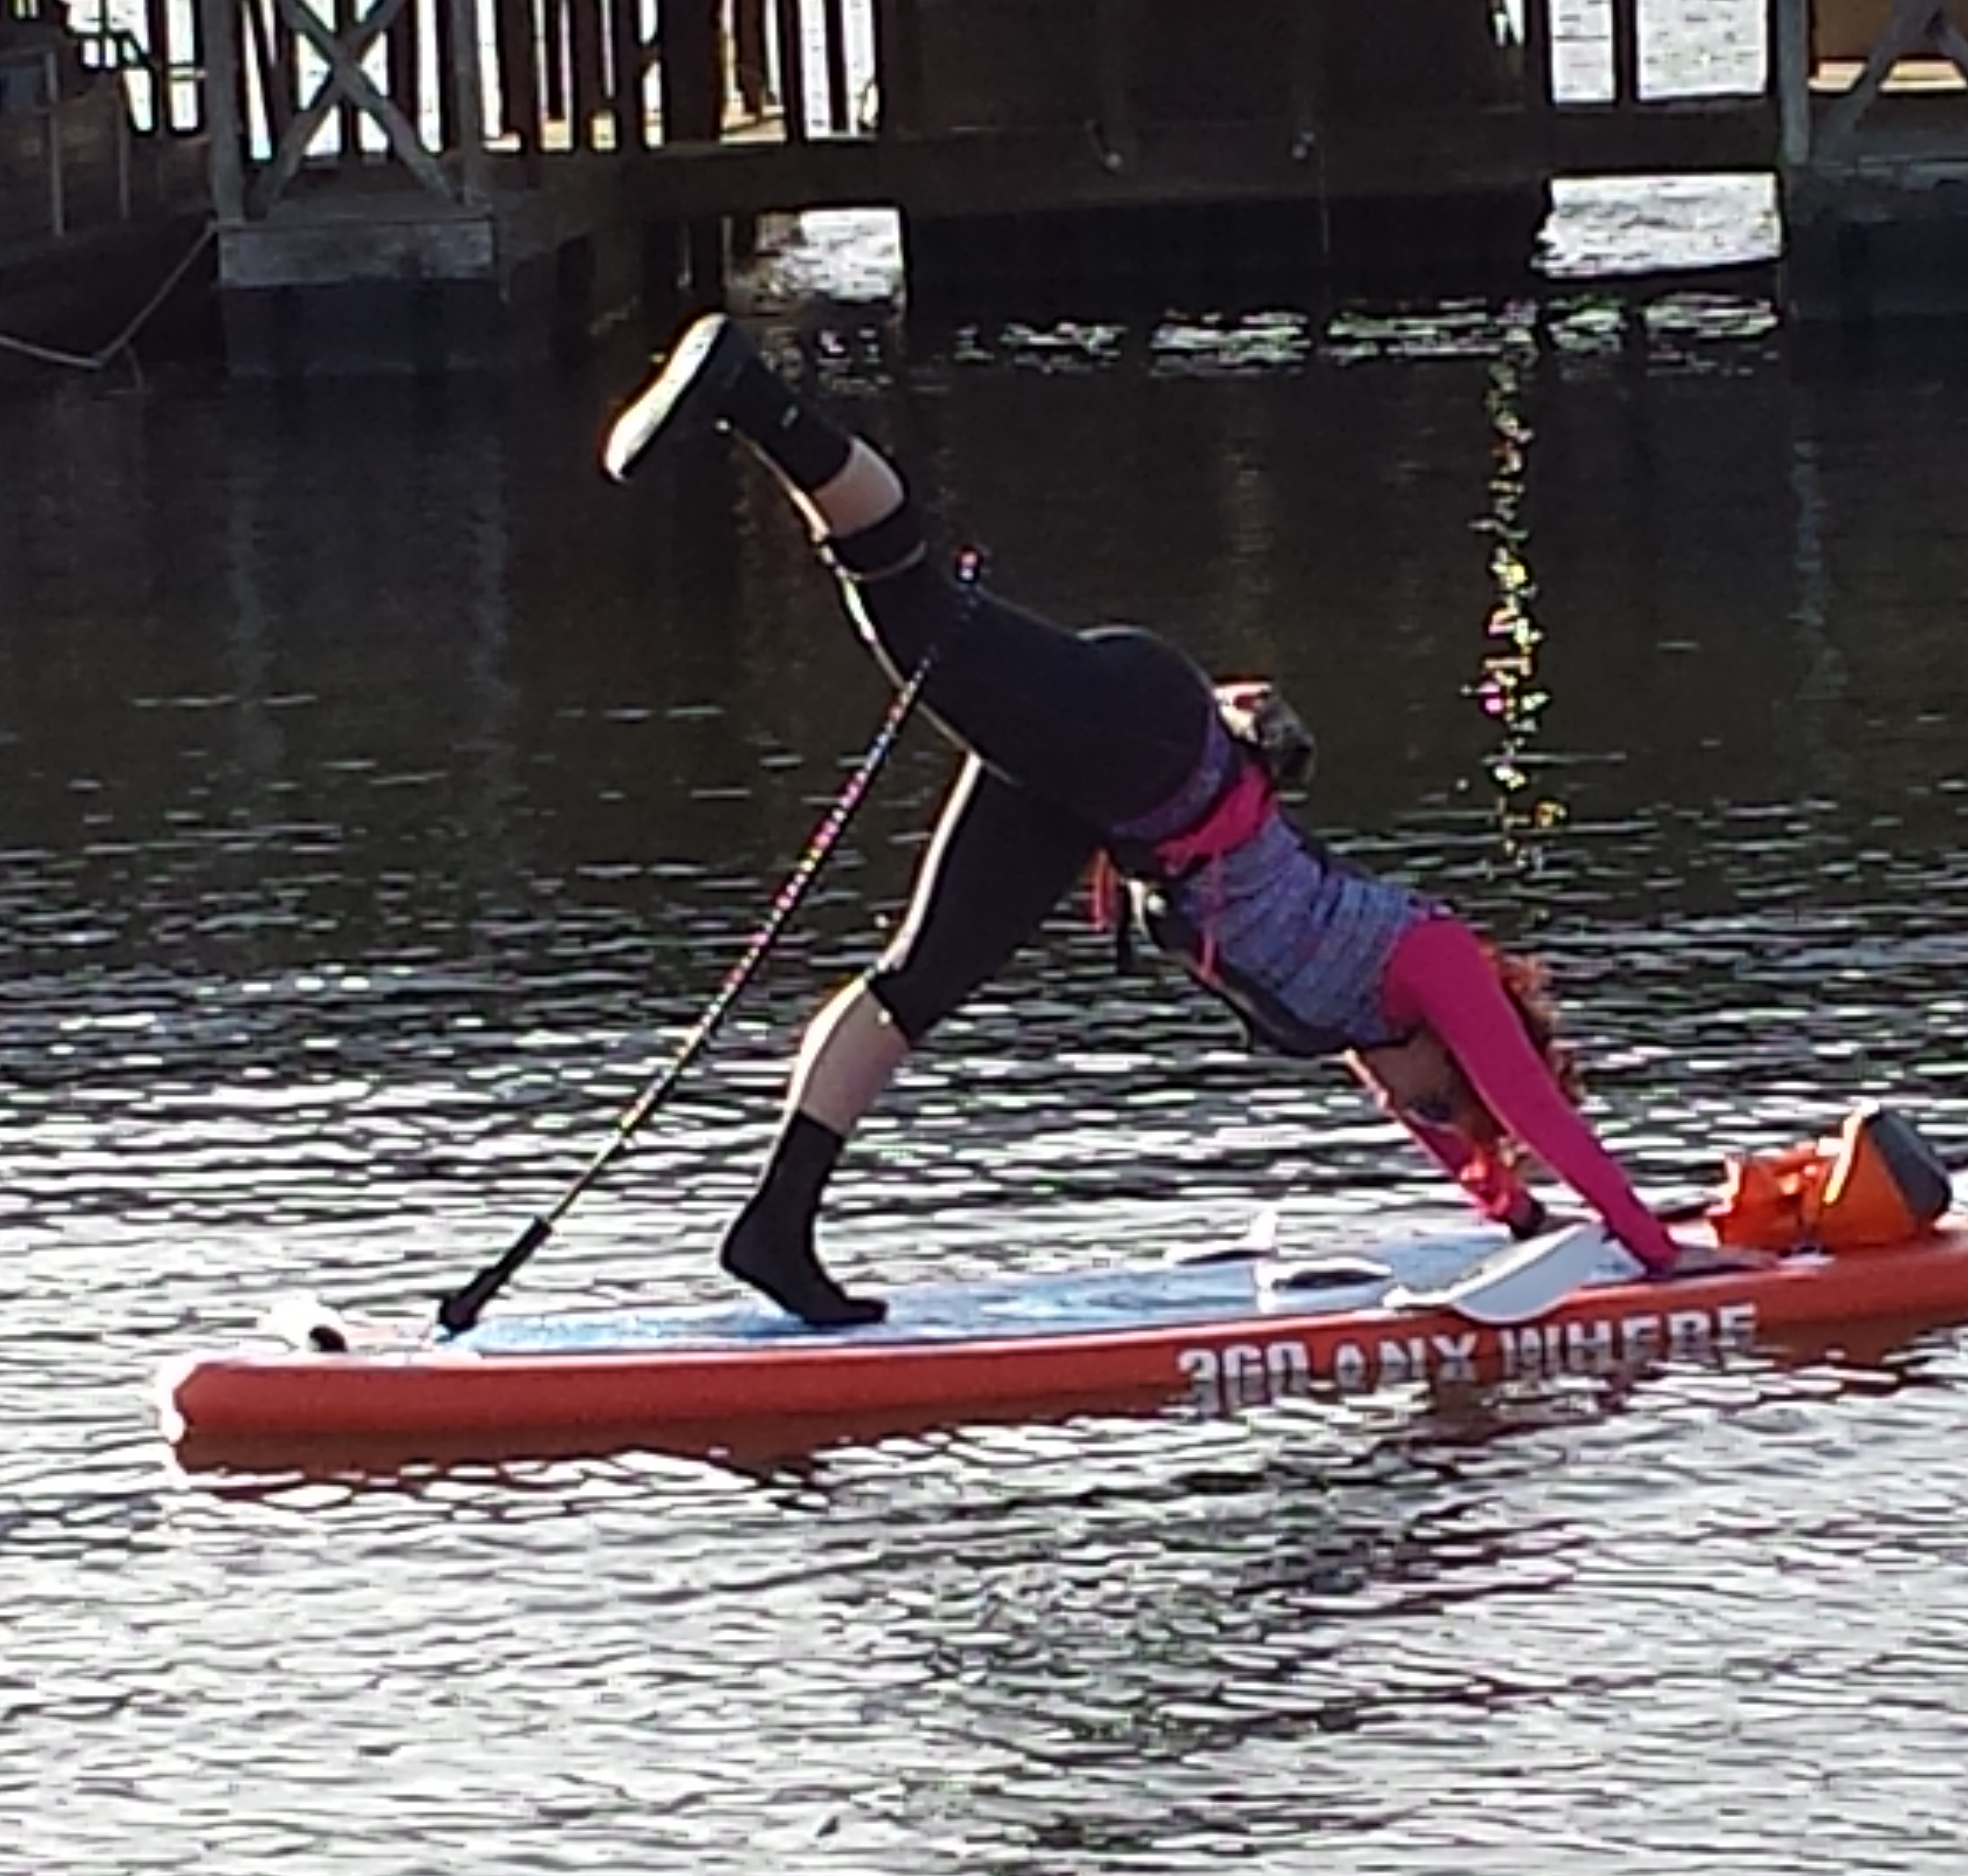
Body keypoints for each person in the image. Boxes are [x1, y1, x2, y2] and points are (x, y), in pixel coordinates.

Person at [600, 313, 1764, 1326]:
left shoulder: (1376, 1033)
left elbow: (1487, 1155)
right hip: (1145, 741)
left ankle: (775, 1226)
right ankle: (753, 395)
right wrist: (1665, 1257)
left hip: (1103, 804)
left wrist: (1520, 1222)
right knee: (916, 607)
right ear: (1459, 1055)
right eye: (1431, 1102)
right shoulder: (1437, 967)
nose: (1407, 1110)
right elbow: (1529, 1118)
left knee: (917, 978)